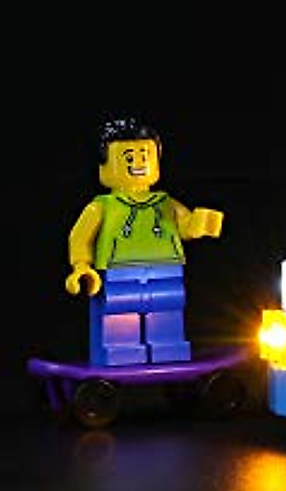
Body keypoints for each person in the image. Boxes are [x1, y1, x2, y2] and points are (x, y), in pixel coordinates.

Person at [65, 116, 223, 367]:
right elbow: (80, 236)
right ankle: (120, 351)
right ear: (104, 166)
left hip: (167, 267)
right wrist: (81, 266)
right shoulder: (102, 207)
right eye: (129, 157)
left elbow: (183, 225)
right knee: (119, 311)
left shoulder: (164, 202)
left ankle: (168, 348)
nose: (139, 163)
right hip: (117, 272)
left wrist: (199, 224)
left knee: (167, 306)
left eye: (145, 155)